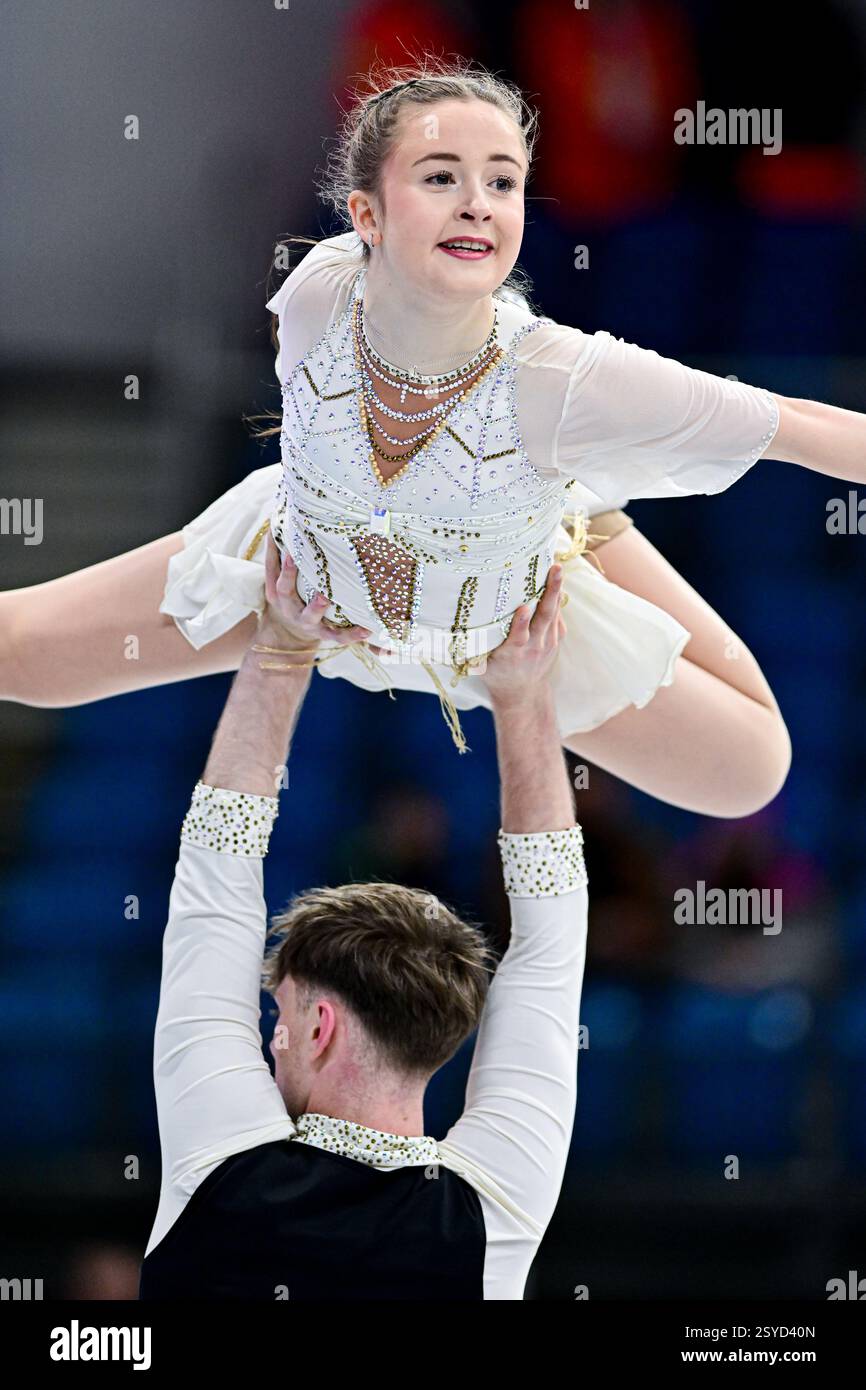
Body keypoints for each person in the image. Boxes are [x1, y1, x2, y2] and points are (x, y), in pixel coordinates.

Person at [6, 59, 865, 815]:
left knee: (750, 770)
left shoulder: (562, 379)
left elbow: (802, 427)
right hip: (294, 582)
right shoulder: (315, 295)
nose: (478, 205)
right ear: (365, 216)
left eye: (503, 182)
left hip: (504, 623)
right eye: (441, 177)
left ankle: (587, 521)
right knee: (19, 660)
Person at [139, 547, 588, 1301]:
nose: (268, 1043)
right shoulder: (489, 1216)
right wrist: (523, 696)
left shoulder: (224, 1158)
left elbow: (215, 884)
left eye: (273, 1018)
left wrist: (283, 649)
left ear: (319, 1025)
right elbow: (550, 949)